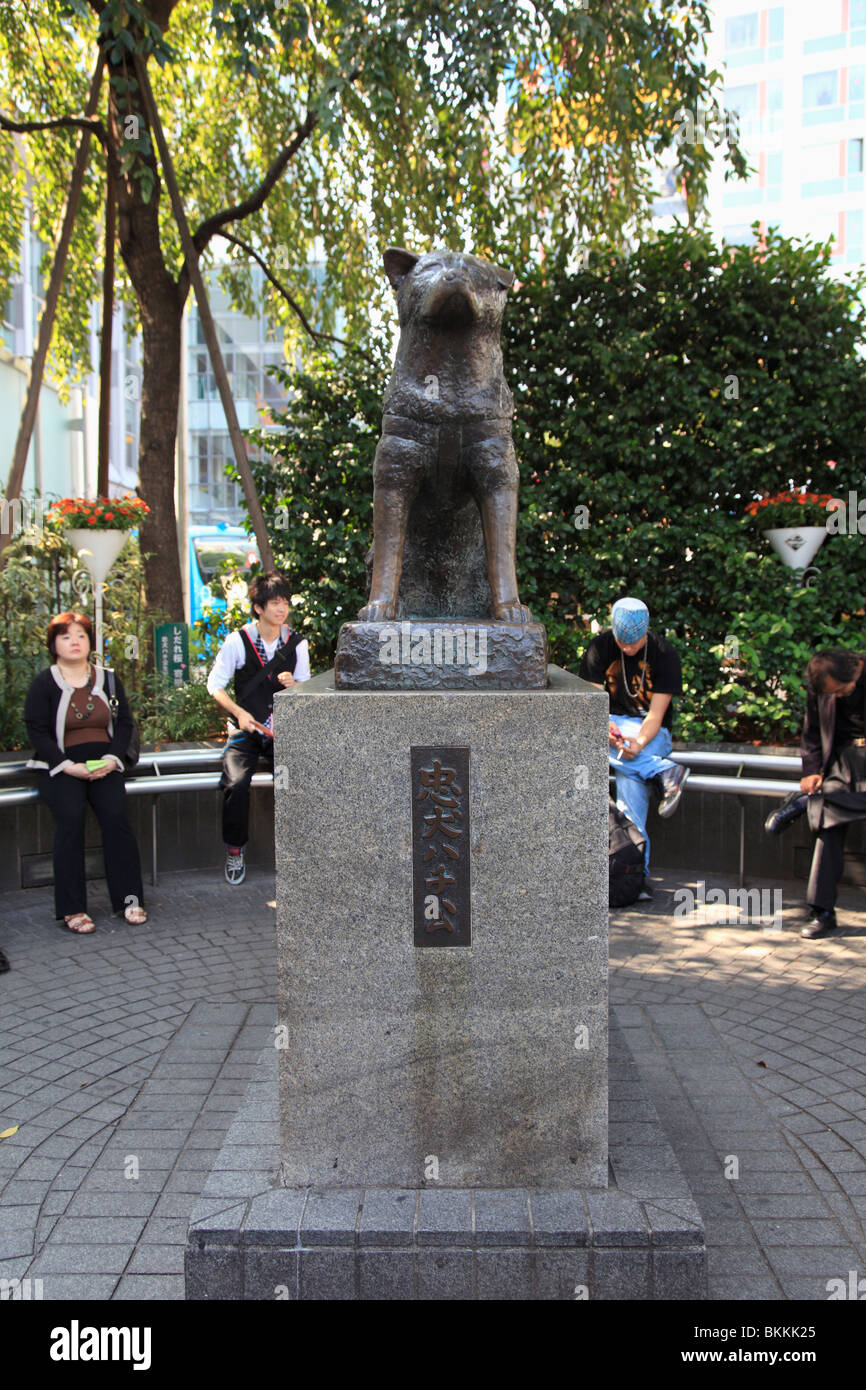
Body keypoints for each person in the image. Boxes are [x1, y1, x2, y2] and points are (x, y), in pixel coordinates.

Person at [24, 612, 146, 933]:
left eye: (80, 635)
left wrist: (112, 759)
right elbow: (37, 730)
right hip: (61, 766)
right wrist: (66, 765)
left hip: (104, 762)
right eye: (66, 636)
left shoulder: (107, 678)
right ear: (54, 644)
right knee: (70, 819)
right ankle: (72, 908)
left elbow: (124, 724)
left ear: (90, 641)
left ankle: (129, 900)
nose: (74, 642)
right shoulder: (44, 682)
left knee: (116, 818)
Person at [578, 596, 689, 897]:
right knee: (630, 784)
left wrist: (638, 743)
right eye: (622, 642)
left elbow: (657, 715)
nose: (627, 648)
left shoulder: (665, 653)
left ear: (646, 631)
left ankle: (633, 876)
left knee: (628, 783)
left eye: (635, 643)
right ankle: (665, 772)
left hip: (651, 730)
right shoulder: (599, 648)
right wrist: (607, 731)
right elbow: (592, 708)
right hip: (610, 726)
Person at [207, 571, 311, 884]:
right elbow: (214, 685)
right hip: (247, 730)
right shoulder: (237, 641)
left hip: (283, 732)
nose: (282, 609)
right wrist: (238, 713)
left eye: (285, 603)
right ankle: (235, 851)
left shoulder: (296, 644)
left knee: (299, 779)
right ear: (258, 607)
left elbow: (305, 688)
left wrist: (294, 686)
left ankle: (299, 853)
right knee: (237, 784)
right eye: (274, 603)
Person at [793, 649, 866, 939]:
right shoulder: (819, 684)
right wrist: (810, 769)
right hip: (842, 760)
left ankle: (807, 804)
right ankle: (822, 912)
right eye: (831, 693)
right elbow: (811, 732)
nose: (838, 696)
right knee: (827, 823)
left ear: (857, 670)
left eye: (842, 690)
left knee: (823, 805)